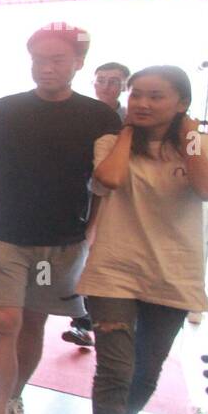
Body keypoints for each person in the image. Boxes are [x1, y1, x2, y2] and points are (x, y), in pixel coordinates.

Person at [0, 23, 121, 414]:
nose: (46, 68)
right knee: (5, 320)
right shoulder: (5, 110)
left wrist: (93, 229)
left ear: (78, 64)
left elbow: (105, 182)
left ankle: (14, 399)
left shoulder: (100, 117)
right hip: (3, 232)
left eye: (57, 60)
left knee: (34, 322)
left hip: (61, 239)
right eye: (39, 60)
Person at [78, 66, 208, 414]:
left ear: (180, 102)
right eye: (136, 95)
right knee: (116, 370)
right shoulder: (111, 144)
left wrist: (191, 136)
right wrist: (126, 130)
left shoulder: (201, 145)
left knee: (147, 371)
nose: (142, 103)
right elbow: (111, 180)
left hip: (173, 274)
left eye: (156, 96)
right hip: (114, 270)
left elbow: (207, 187)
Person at [63, 61, 134, 348]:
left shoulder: (130, 120)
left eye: (114, 81)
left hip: (118, 199)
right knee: (82, 256)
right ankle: (82, 320)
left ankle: (97, 324)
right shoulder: (80, 114)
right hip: (82, 194)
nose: (106, 86)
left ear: (124, 86)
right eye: (101, 80)